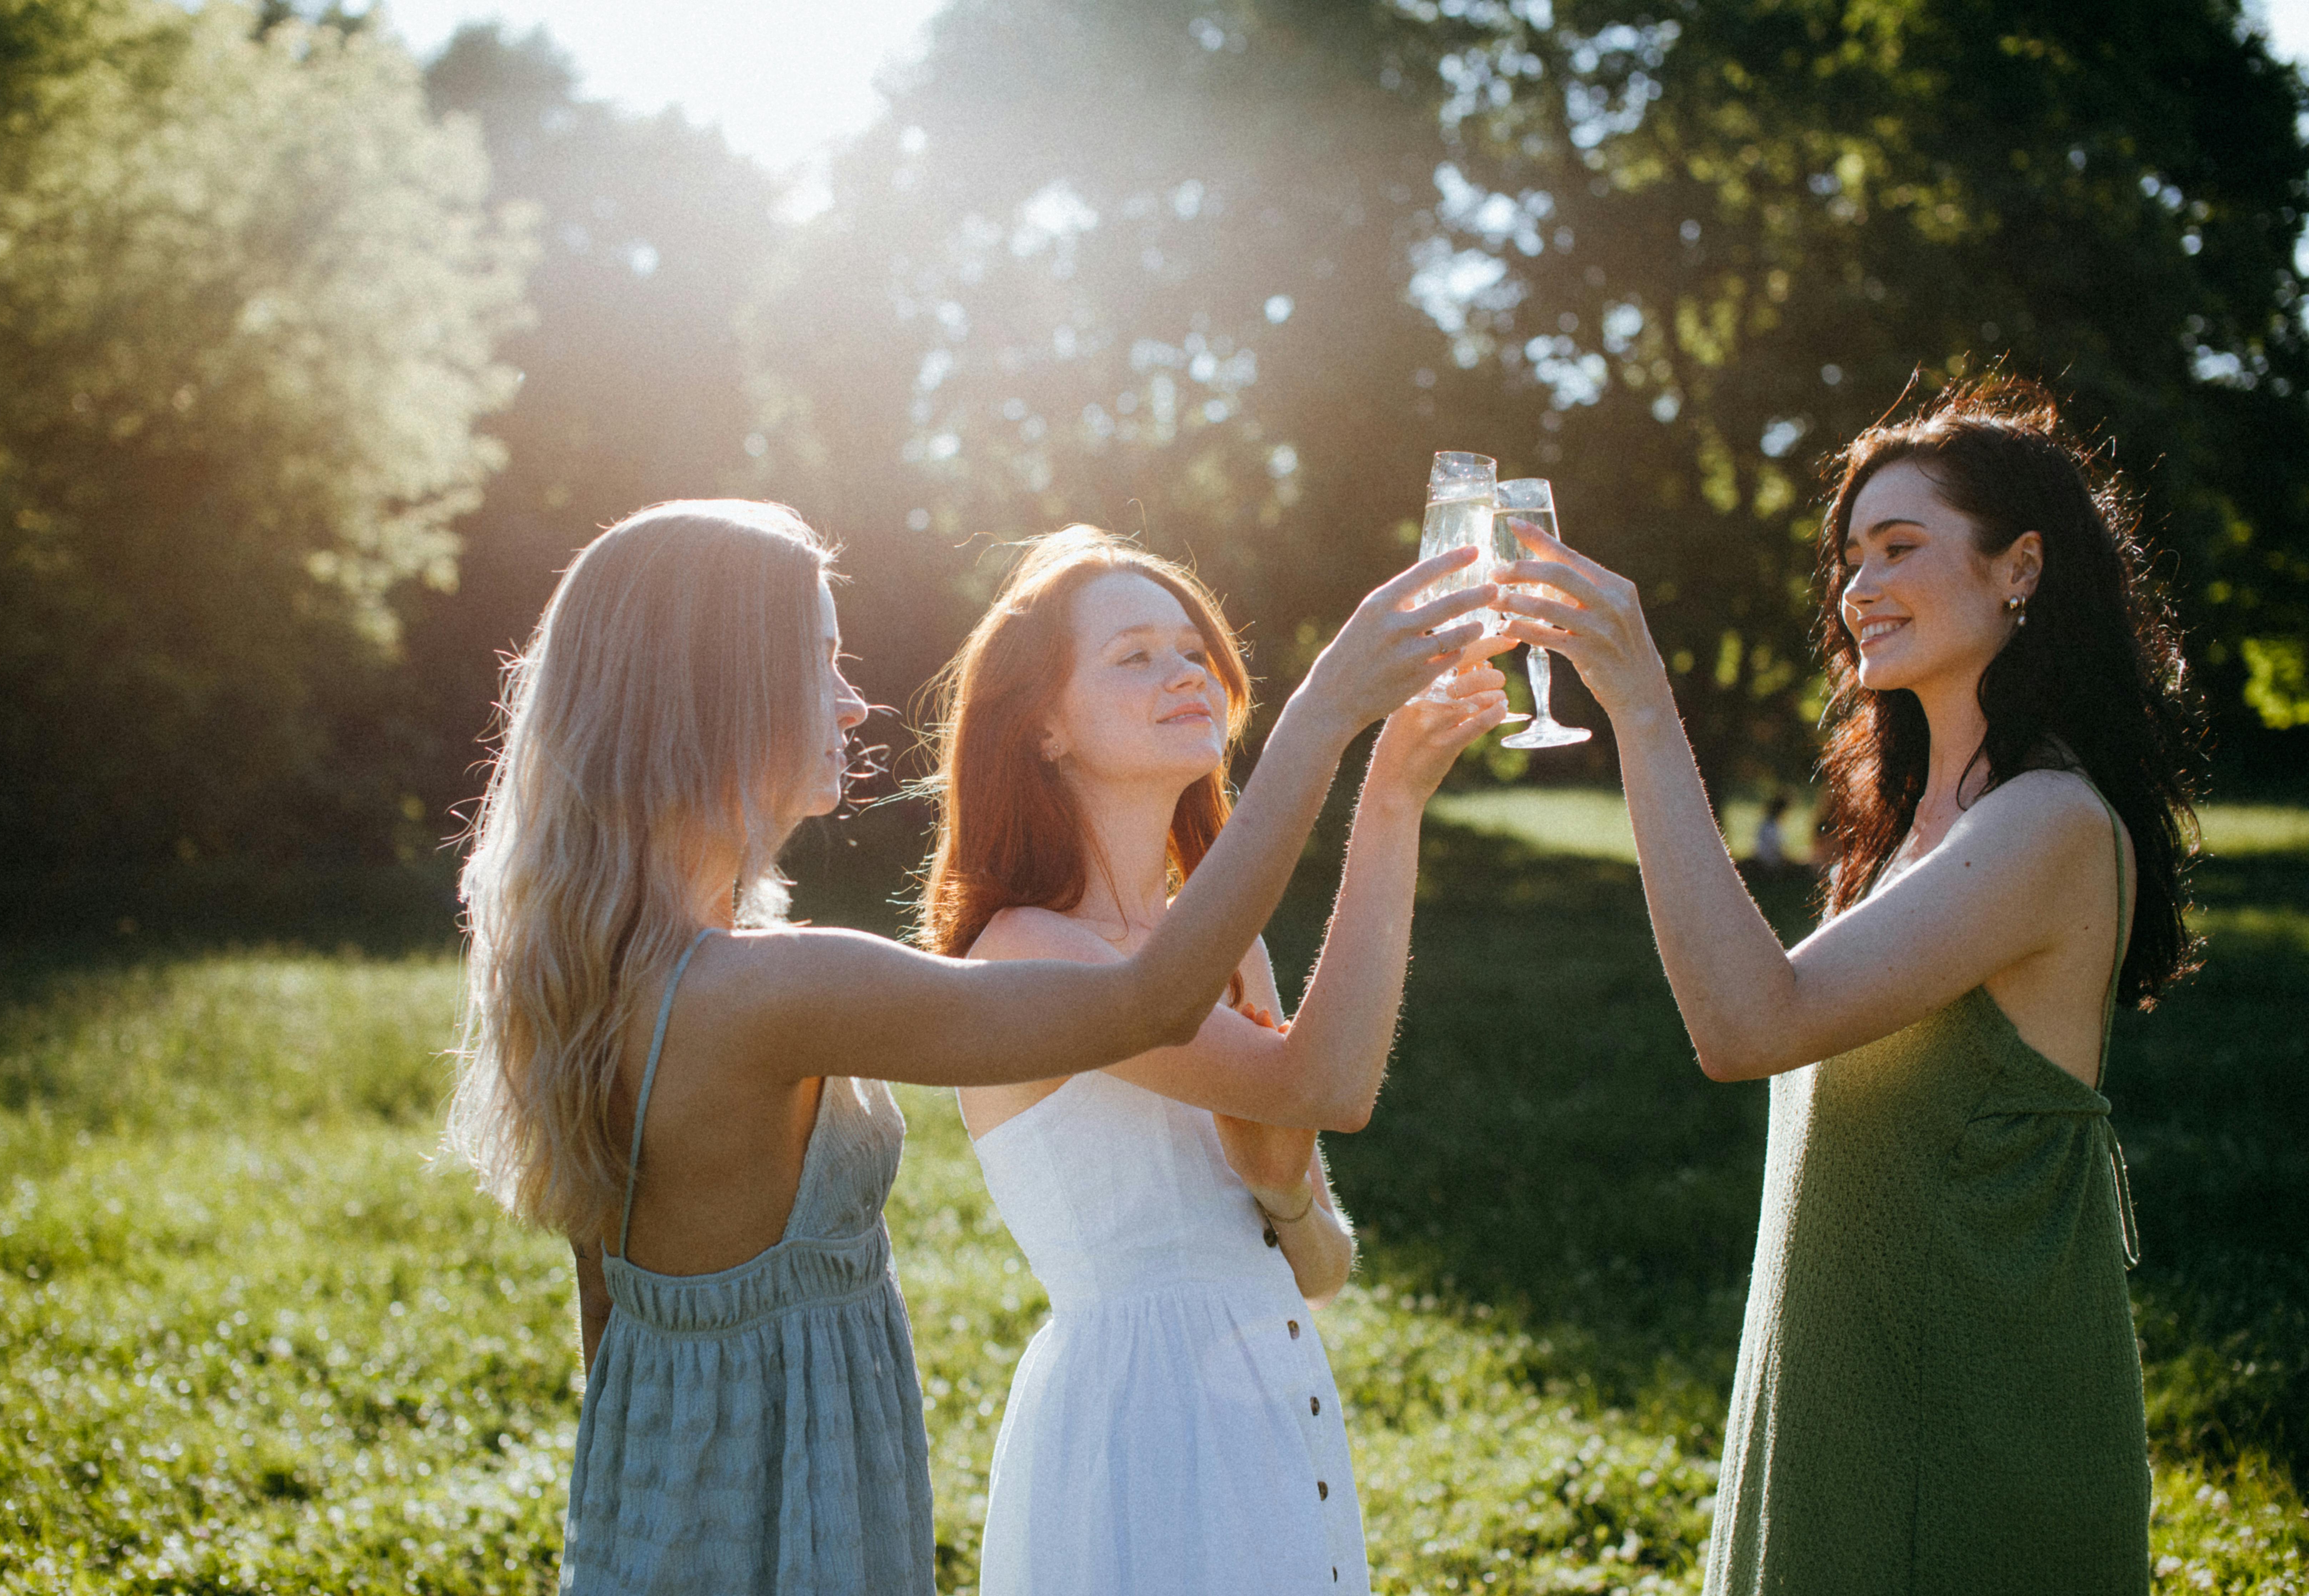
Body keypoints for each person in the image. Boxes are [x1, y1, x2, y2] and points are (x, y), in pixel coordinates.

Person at [445, 499, 1496, 1596]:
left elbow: (605, 1307)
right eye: (820, 663)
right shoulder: (771, 986)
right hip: (783, 1507)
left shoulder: (628, 974)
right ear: (718, 693)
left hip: (674, 1492)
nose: (856, 704)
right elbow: (1151, 1000)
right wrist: (1328, 716)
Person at [1489, 379, 2201, 1594]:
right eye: (1850, 556)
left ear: (2019, 567)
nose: (1857, 586)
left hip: (1968, 1434)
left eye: (1900, 547)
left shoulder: (2051, 824)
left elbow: (1746, 1021)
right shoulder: (1919, 825)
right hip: (1845, 1405)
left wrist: (1641, 703)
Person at [919, 528, 1512, 1596]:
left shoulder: (1226, 945)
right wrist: (1370, 781)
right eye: (1133, 655)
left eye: (1192, 648)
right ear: (1044, 727)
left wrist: (1284, 1194)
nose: (1185, 669)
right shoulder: (1027, 950)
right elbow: (1326, 1087)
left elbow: (1322, 1270)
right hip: (1138, 1437)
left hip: (1280, 1418)